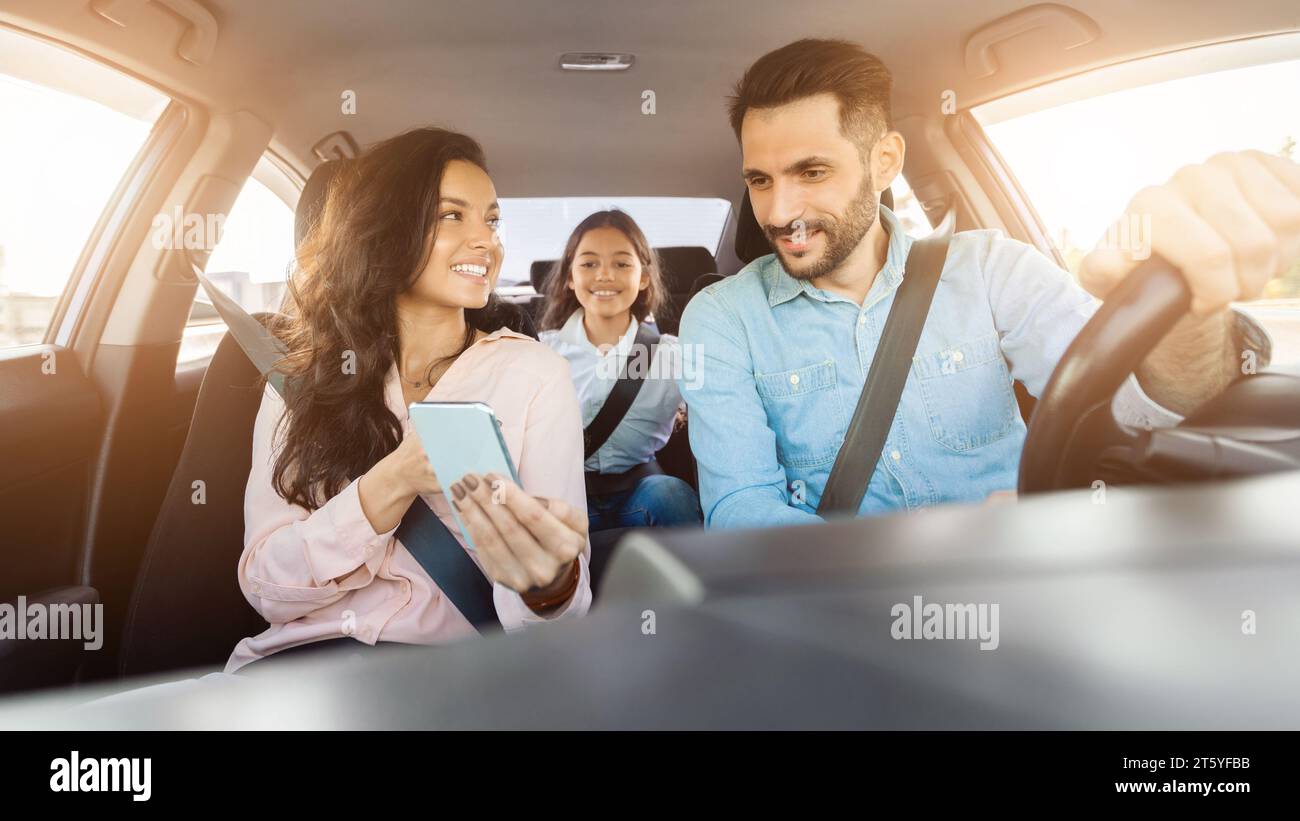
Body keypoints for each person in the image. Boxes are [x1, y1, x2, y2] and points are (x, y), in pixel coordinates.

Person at [678, 38, 1293, 528]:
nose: (781, 211)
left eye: (811, 171)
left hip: (1015, 601)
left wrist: (1185, 315)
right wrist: (921, 565)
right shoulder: (723, 316)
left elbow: (1139, 421)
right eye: (759, 180)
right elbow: (740, 511)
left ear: (885, 161)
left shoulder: (992, 269)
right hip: (835, 618)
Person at [225, 127, 591, 673]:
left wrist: (549, 585)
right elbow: (266, 589)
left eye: (491, 220)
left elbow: (561, 623)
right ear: (386, 230)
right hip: (293, 673)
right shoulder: (300, 380)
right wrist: (393, 480)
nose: (486, 241)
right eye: (452, 216)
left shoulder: (534, 374)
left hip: (448, 682)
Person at [538, 210, 702, 531]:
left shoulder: (673, 354)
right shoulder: (540, 352)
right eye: (589, 263)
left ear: (643, 277)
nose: (605, 275)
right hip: (566, 497)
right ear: (570, 277)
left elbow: (721, 412)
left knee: (672, 494)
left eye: (621, 263)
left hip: (643, 493)